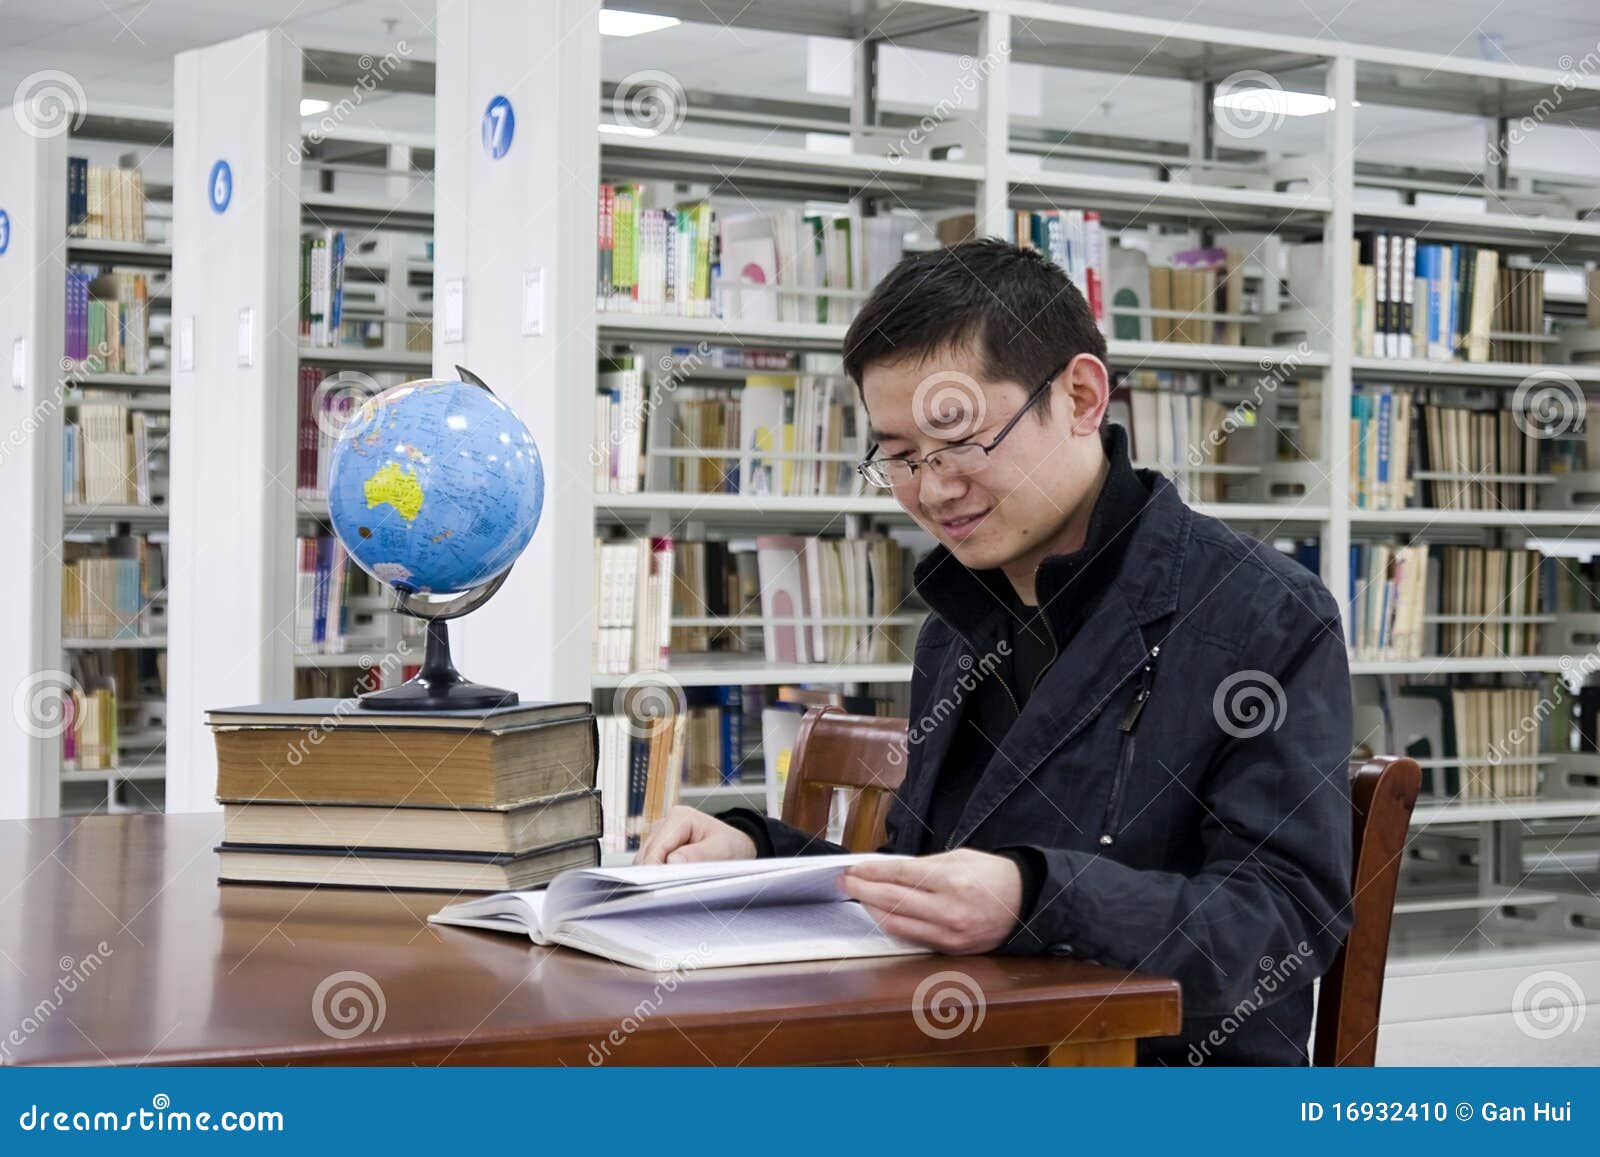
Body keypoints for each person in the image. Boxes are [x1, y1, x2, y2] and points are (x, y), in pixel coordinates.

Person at [637, 238, 1354, 1065]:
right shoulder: (958, 618)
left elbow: (1283, 925)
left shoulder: (1265, 615)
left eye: (961, 440)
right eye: (901, 457)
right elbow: (923, 879)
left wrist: (1034, 896)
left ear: (1082, 396)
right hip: (960, 1052)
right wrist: (754, 851)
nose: (935, 488)